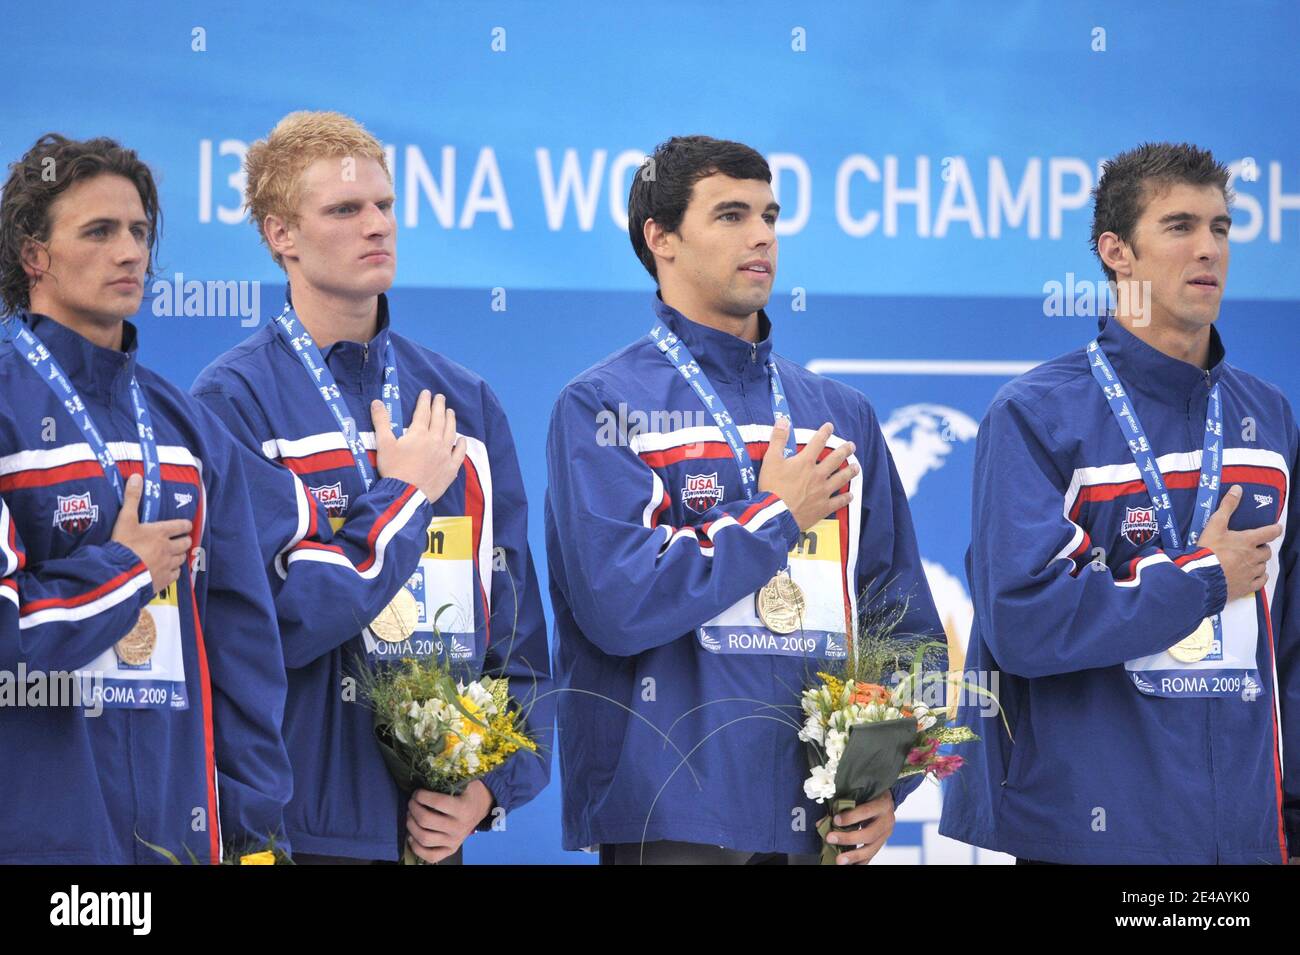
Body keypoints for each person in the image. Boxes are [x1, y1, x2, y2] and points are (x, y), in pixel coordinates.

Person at [545, 135, 946, 864]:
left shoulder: (841, 413)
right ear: (660, 238)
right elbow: (616, 603)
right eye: (731, 214)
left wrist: (892, 775)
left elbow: (905, 620)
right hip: (673, 822)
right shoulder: (604, 405)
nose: (762, 234)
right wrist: (774, 518)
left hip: (824, 822)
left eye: (770, 213)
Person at [192, 111, 552, 864]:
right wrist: (401, 497)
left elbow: (516, 639)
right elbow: (268, 624)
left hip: (432, 839)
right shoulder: (232, 401)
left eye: (385, 206)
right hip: (295, 835)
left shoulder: (465, 401)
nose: (376, 226)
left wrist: (486, 786)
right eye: (345, 210)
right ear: (281, 234)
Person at [939, 142, 1298, 864]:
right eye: (1180, 227)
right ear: (1117, 253)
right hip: (1089, 837)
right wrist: (1200, 578)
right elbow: (1024, 622)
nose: (1209, 249)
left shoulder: (1271, 419)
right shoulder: (1037, 416)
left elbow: (1288, 641)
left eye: (1221, 228)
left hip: (1248, 841)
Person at [0, 133, 291, 863]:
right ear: (34, 255)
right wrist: (124, 572)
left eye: (138, 232)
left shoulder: (185, 426)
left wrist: (253, 829)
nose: (130, 252)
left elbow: (241, 641)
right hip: (43, 840)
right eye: (98, 231)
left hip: (179, 837)